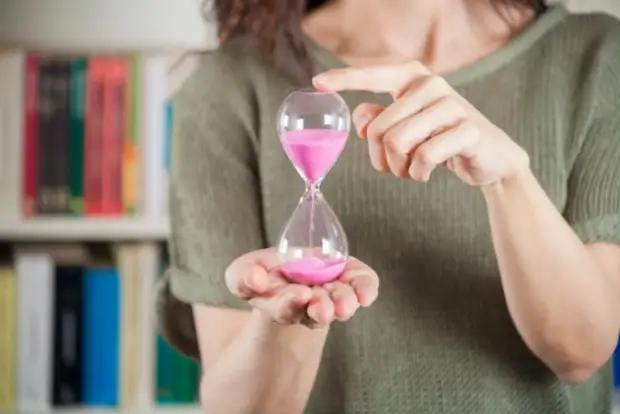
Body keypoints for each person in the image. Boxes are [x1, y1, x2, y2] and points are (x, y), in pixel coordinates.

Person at [156, 0, 620, 412]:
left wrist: (508, 180)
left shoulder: (594, 57)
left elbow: (580, 353)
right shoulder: (232, 82)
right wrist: (290, 315)